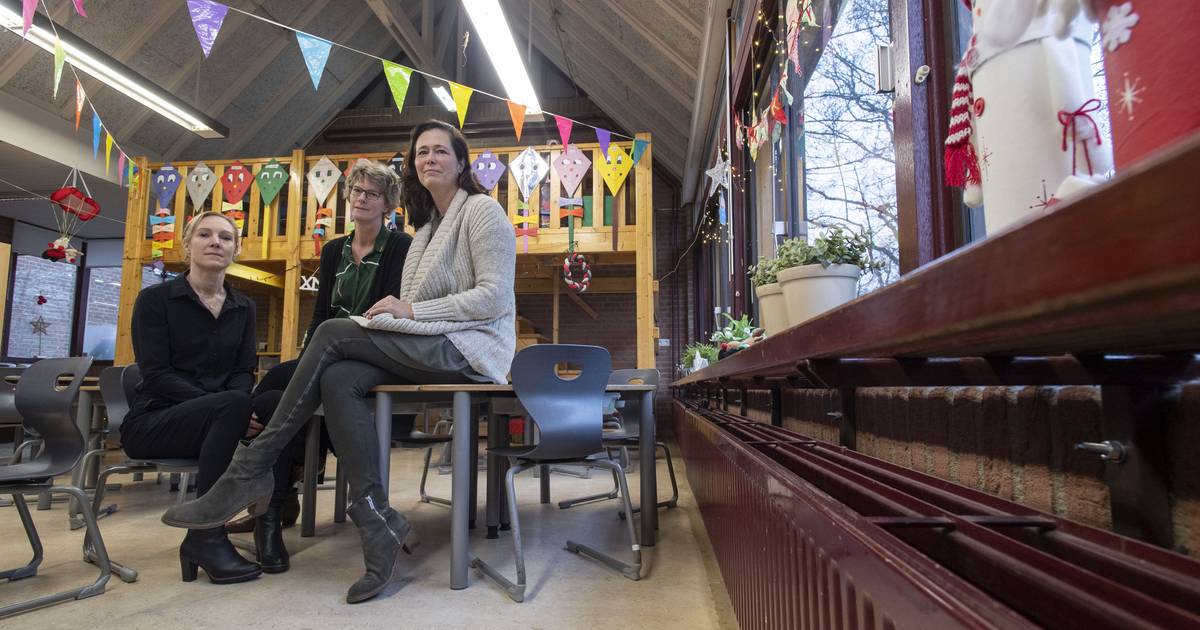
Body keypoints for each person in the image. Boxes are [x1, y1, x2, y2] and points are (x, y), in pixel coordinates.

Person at [163, 119, 517, 604]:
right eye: (421, 152)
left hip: (471, 347)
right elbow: (410, 309)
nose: (429, 158)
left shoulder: (482, 211)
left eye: (440, 150)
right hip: (431, 342)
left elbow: (494, 298)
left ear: (461, 162)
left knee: (332, 331)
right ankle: (376, 520)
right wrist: (399, 316)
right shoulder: (426, 231)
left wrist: (410, 312)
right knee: (340, 376)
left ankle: (250, 469)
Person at [225, 161, 412, 535]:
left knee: (292, 382)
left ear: (387, 204)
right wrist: (308, 357)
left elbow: (388, 311)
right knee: (275, 388)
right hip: (328, 350)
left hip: (371, 349)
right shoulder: (333, 251)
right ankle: (276, 495)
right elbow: (321, 314)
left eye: (372, 193)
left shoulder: (400, 246)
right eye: (357, 191)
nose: (362, 198)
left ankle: (279, 492)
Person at [123, 211, 283, 583]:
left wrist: (235, 409)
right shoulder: (155, 300)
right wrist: (225, 408)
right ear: (187, 245)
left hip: (222, 418)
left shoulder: (243, 307)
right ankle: (206, 536)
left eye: (225, 238)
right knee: (232, 404)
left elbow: (242, 371)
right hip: (157, 420)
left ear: (236, 250)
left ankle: (268, 519)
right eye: (205, 235)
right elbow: (156, 374)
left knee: (276, 401)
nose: (215, 242)